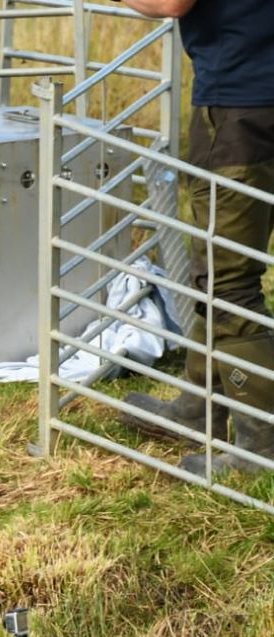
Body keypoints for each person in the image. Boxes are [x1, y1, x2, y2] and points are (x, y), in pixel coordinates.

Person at [115, 0, 274, 476]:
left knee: (227, 282)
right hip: (254, 92)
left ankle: (261, 446)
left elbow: (169, 2)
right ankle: (201, 404)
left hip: (239, 105)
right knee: (214, 266)